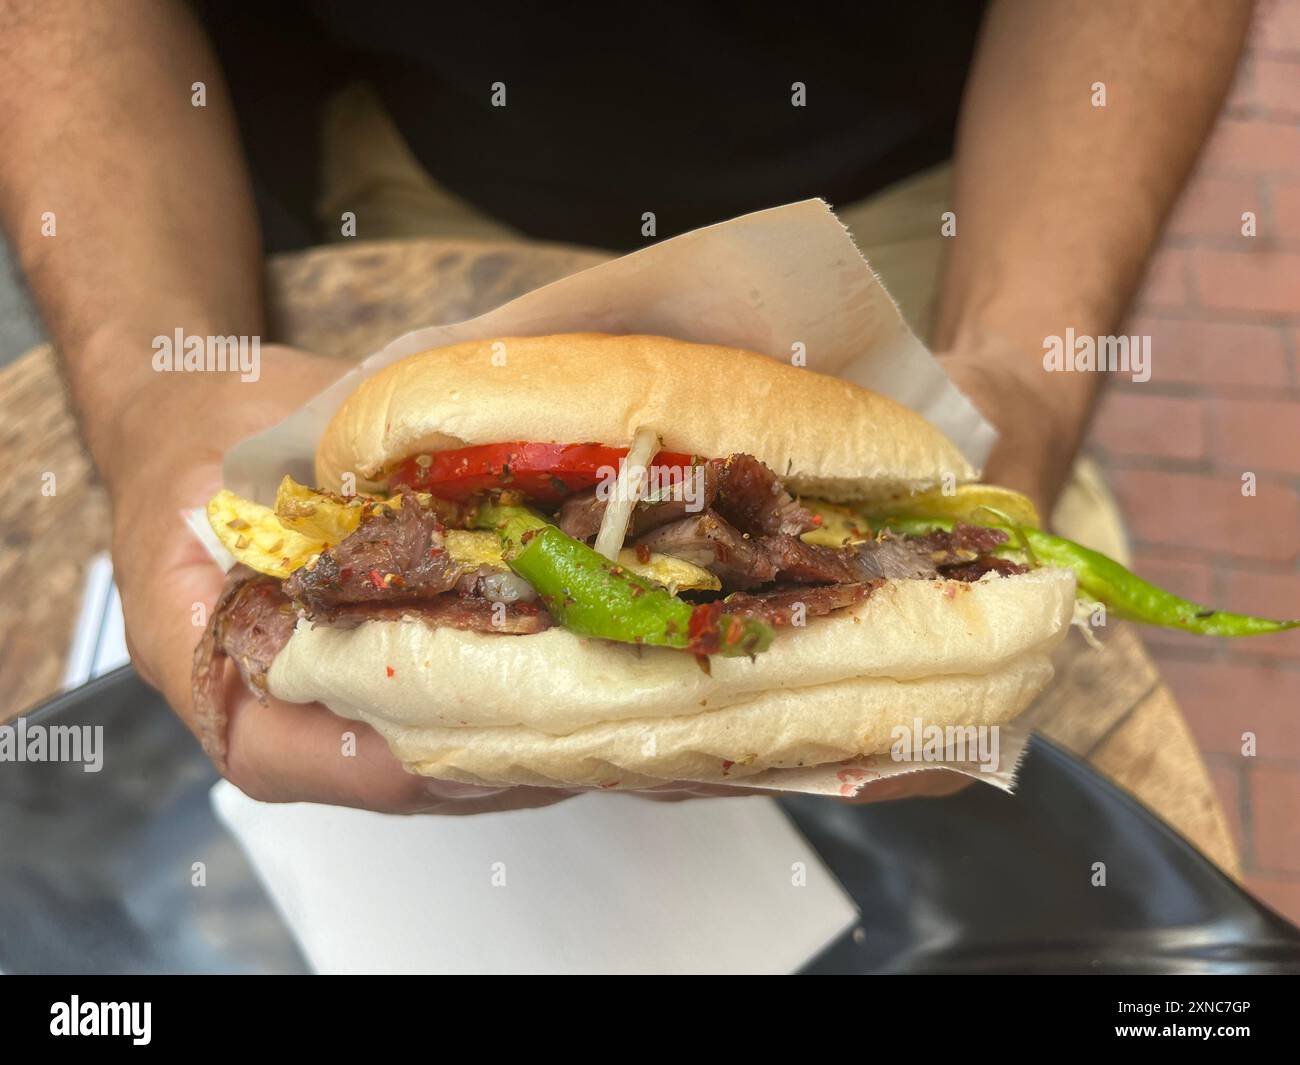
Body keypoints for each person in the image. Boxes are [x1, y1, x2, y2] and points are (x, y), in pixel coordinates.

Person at [0, 0, 1253, 812]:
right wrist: (161, 388)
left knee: (984, 576)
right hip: (408, 172)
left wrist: (1022, 378)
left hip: (911, 227)